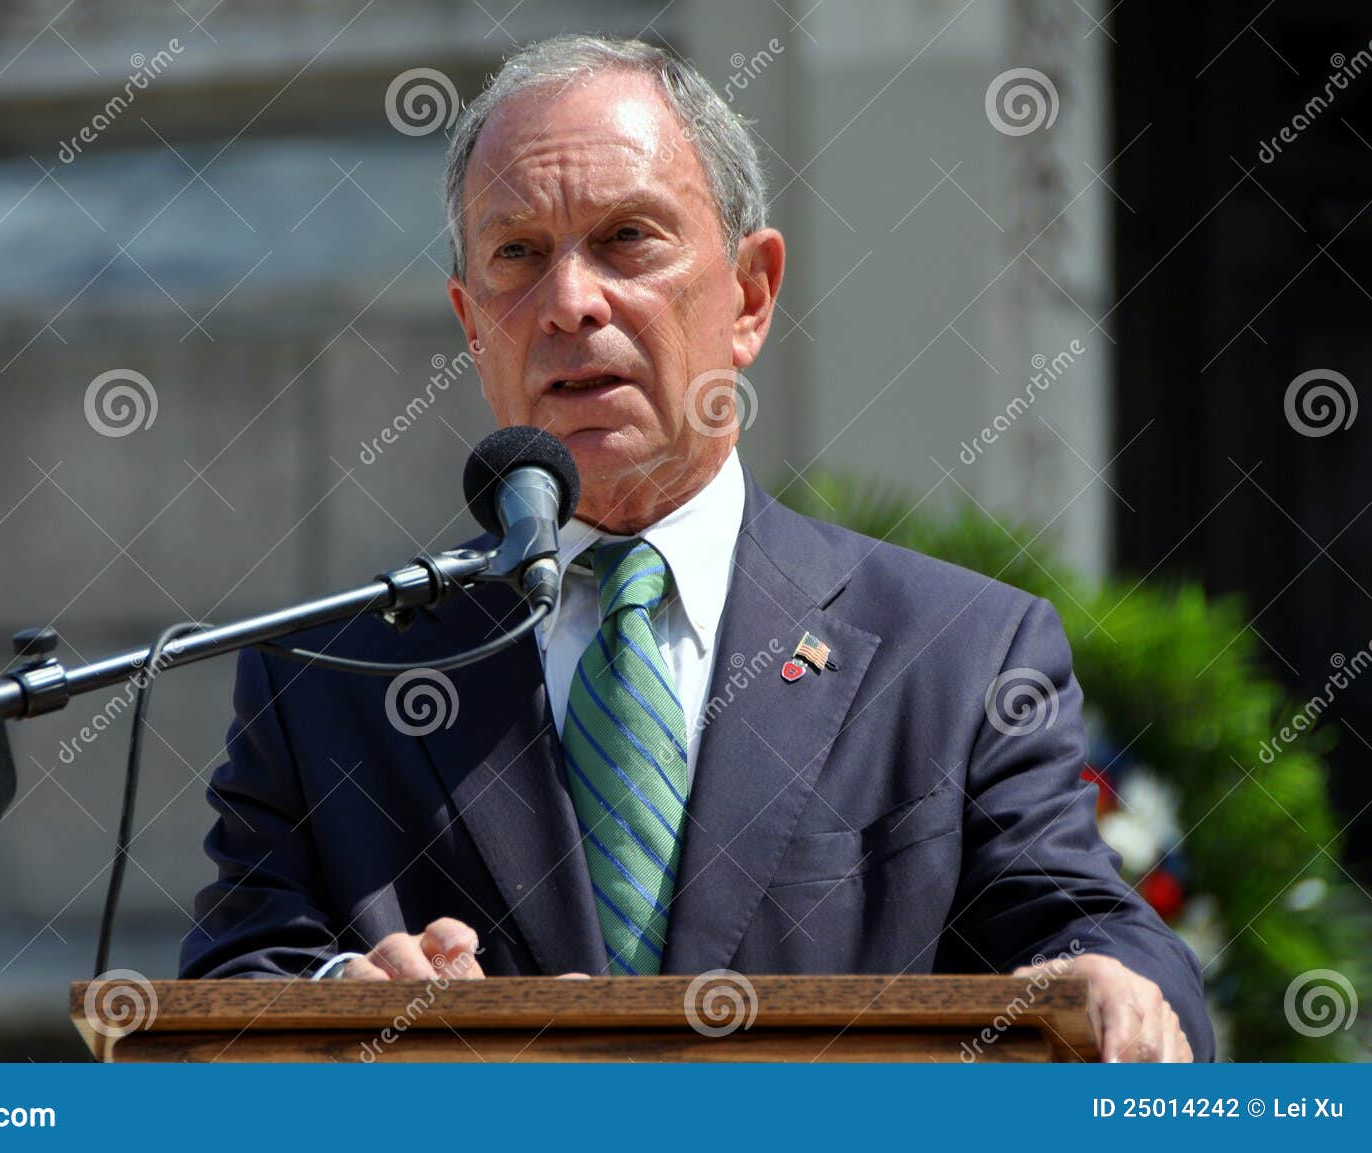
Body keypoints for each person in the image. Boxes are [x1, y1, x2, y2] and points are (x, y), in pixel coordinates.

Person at [180, 34, 1210, 1063]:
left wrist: (1102, 984)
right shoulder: (331, 676)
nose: (570, 302)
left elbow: (1091, 935)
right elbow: (226, 989)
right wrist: (340, 1008)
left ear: (750, 295)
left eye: (627, 237)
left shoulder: (957, 653)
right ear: (471, 325)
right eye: (518, 254)